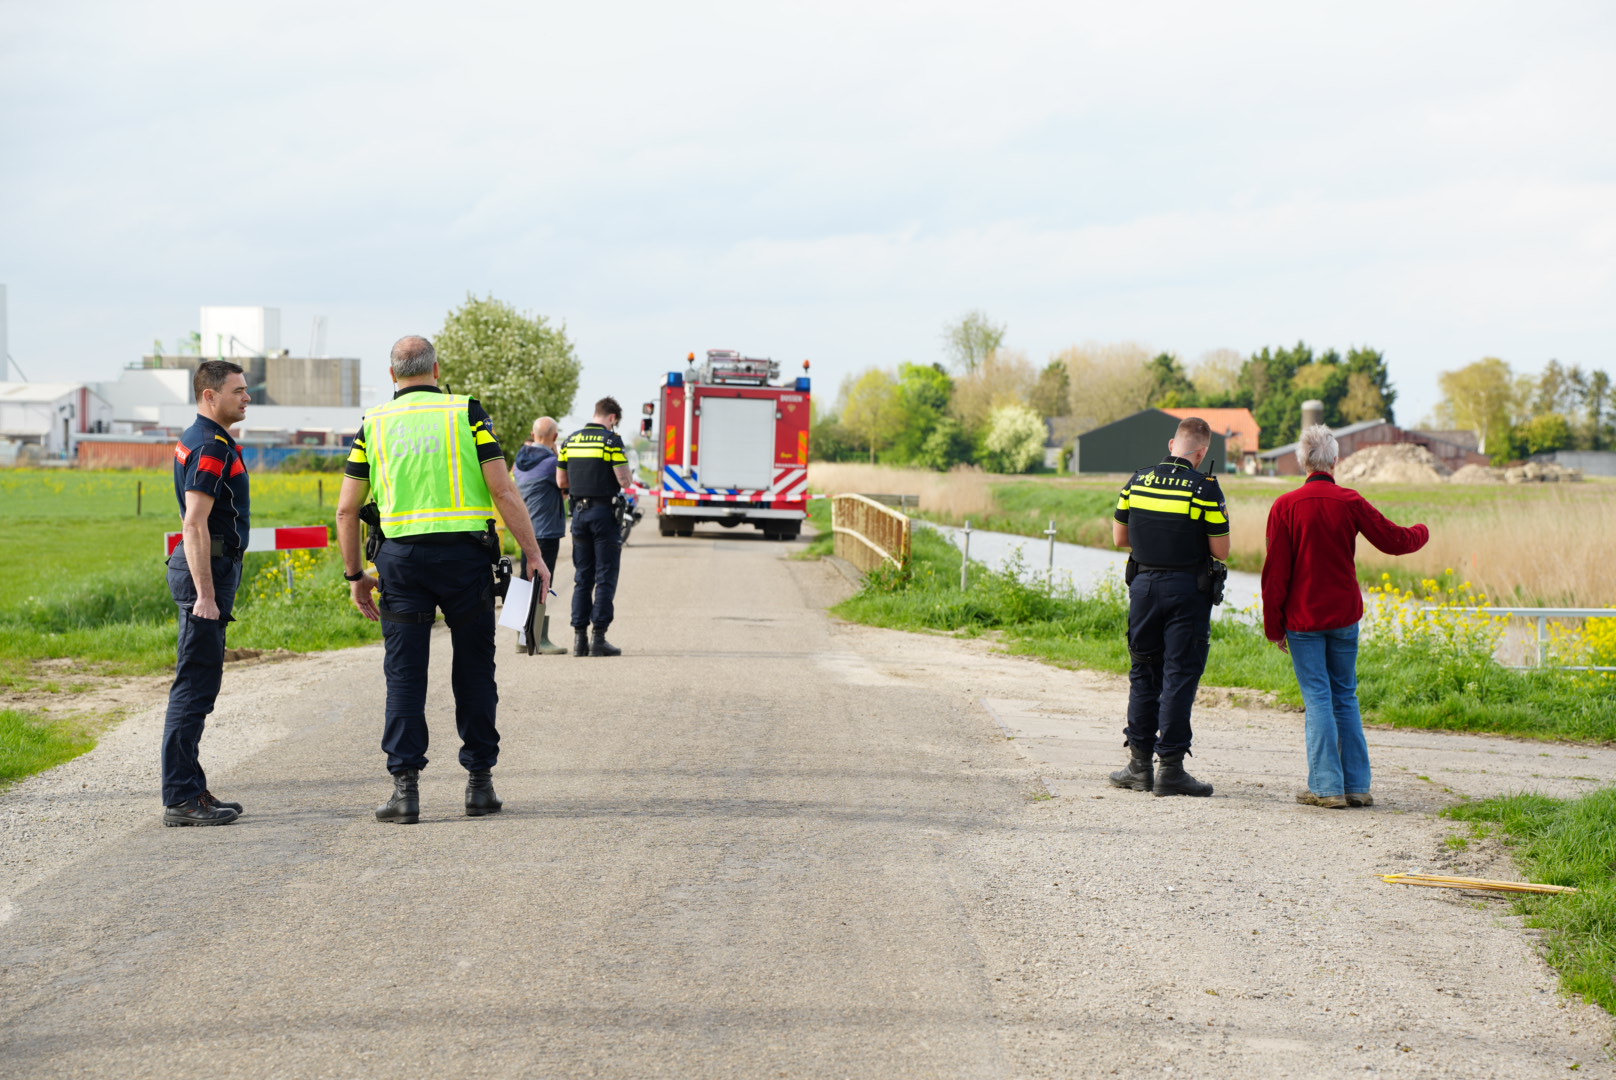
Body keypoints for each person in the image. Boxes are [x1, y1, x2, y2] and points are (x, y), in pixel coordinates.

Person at [336, 335, 549, 824]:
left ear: (393, 376)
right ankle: (479, 784)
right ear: (436, 369)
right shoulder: (467, 414)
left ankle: (405, 791)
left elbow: (347, 508)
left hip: (400, 562)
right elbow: (503, 489)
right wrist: (533, 554)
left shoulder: (374, 424)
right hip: (466, 560)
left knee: (405, 674)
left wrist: (355, 575)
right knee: (474, 669)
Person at [1261, 425, 1429, 809]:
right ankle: (1356, 785)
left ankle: (1326, 788)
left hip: (1303, 620)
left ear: (1303, 461)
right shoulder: (1349, 501)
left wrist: (1275, 628)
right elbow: (1396, 540)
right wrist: (1422, 531)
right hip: (1343, 617)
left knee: (1318, 698)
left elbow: (1275, 575)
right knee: (1346, 697)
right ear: (1335, 461)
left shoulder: (1285, 506)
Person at [1108, 416, 1229, 798]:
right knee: (1179, 674)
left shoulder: (1138, 480)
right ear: (1202, 452)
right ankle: (1171, 769)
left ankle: (1139, 767)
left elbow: (1118, 538)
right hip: (1187, 592)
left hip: (1143, 588)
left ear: (1172, 443)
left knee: (1143, 671)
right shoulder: (1205, 488)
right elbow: (1221, 550)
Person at [160, 360, 253, 827]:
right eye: (238, 390)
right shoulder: (211, 445)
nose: (246, 397)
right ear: (209, 395)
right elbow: (193, 523)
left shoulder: (205, 438)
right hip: (206, 572)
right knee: (194, 687)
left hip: (211, 567)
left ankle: (191, 788)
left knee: (201, 685)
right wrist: (206, 594)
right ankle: (180, 797)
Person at [557, 397, 634, 657]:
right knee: (605, 576)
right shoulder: (611, 441)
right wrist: (625, 473)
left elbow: (560, 481)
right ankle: (598, 638)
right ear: (612, 418)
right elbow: (624, 480)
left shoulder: (570, 440)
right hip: (604, 515)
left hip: (579, 514)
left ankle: (579, 639)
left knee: (582, 577)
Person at [512, 416, 569, 654]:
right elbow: (566, 487)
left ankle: (521, 639)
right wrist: (558, 455)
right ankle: (539, 638)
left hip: (525, 529)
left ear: (533, 434)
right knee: (543, 582)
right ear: (554, 437)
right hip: (545, 530)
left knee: (525, 581)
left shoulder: (519, 460)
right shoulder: (551, 463)